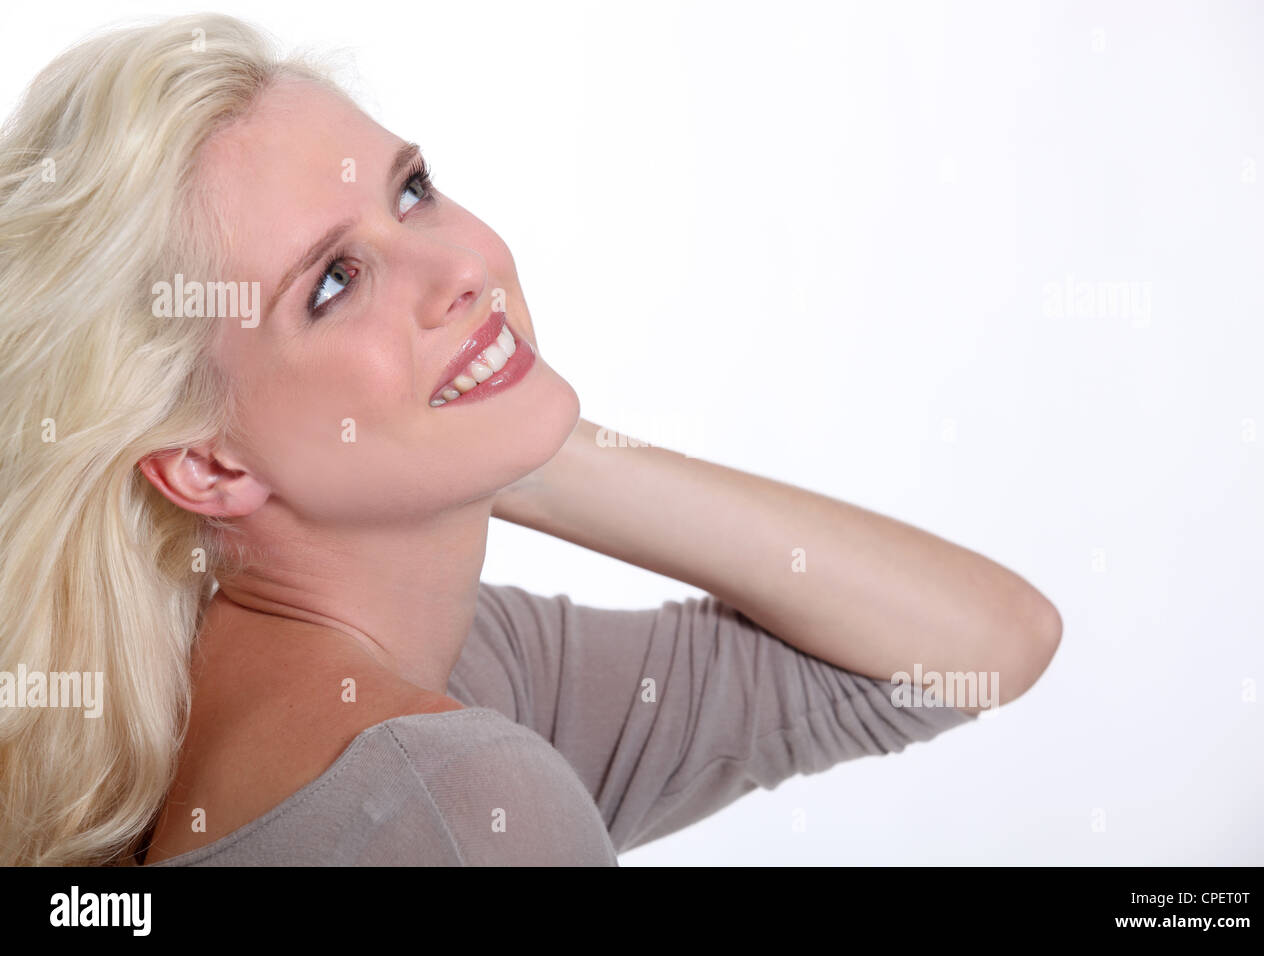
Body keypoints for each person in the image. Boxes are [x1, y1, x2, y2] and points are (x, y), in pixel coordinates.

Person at [0, 13, 1062, 867]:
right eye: (334, 281)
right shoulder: (454, 799)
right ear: (207, 464)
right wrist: (484, 411)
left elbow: (978, 647)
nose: (457, 268)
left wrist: (521, 446)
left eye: (409, 190)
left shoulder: (373, 675)